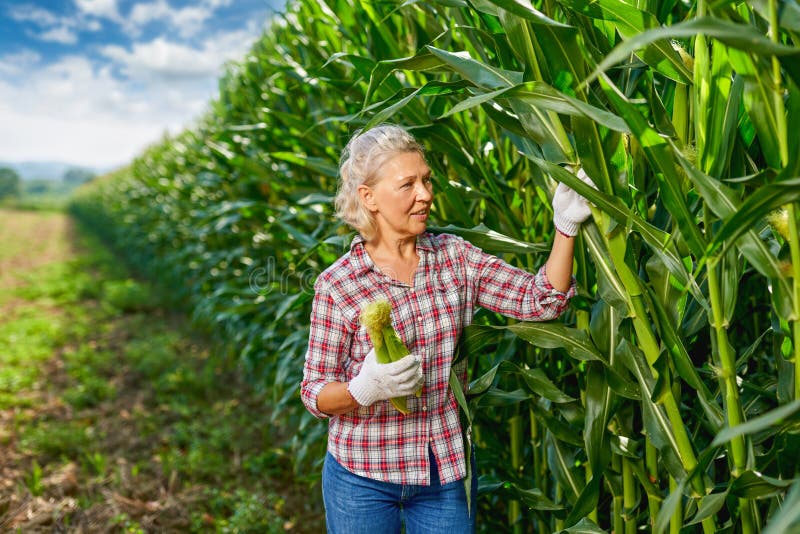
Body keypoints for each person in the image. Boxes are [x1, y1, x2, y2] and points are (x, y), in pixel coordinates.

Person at [300, 124, 595, 533]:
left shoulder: (455, 259)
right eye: (407, 184)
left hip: (442, 471)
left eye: (426, 180)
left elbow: (540, 301)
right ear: (369, 198)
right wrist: (364, 389)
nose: (425, 194)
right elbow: (315, 392)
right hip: (360, 476)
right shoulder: (339, 285)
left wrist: (566, 227)